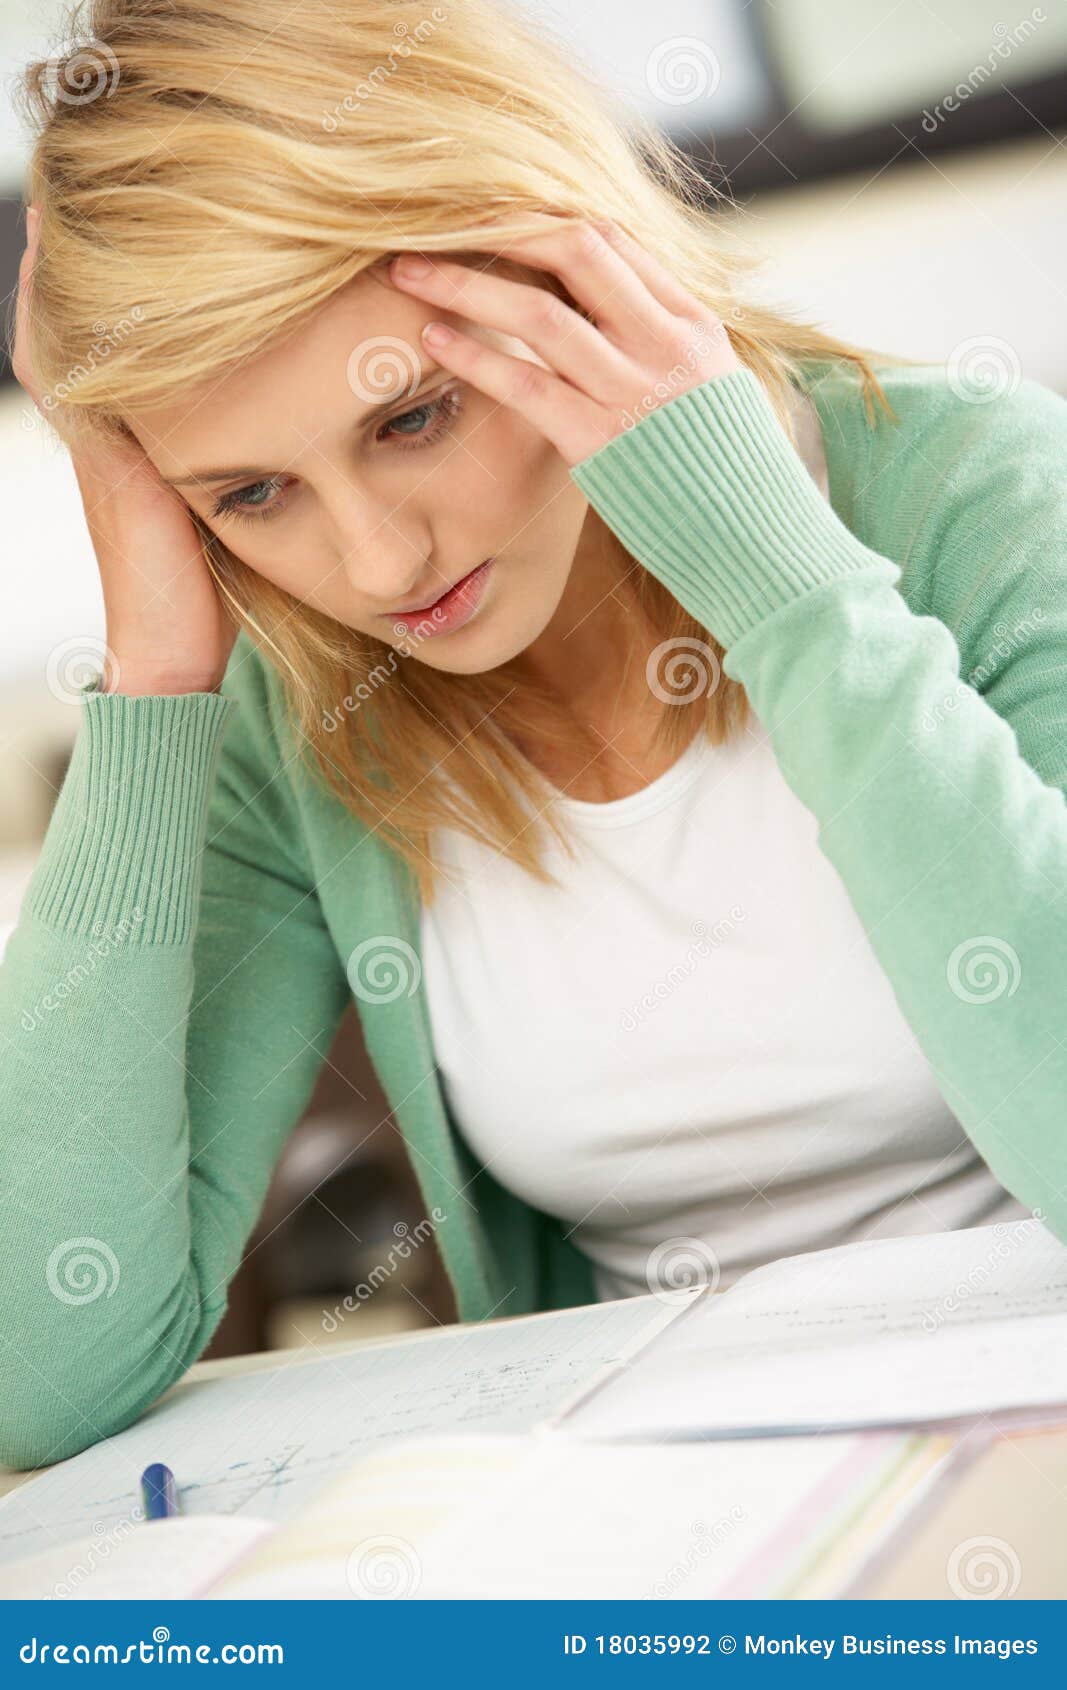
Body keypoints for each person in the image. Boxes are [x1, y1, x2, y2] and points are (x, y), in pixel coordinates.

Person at [2, 0, 1064, 1472]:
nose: (377, 567)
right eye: (252, 493)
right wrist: (156, 682)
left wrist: (778, 582)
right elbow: (38, 1370)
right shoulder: (302, 713)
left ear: (582, 273)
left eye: (415, 416)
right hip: (664, 1523)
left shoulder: (987, 499)